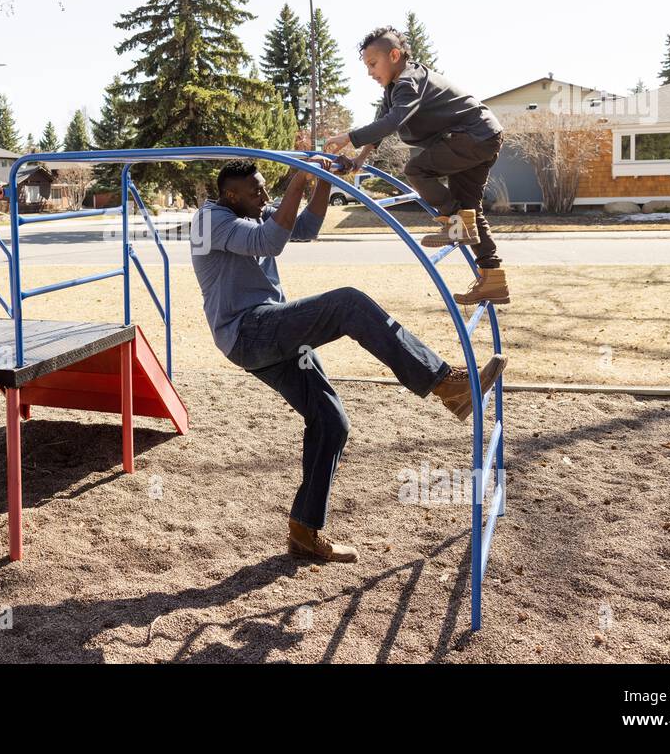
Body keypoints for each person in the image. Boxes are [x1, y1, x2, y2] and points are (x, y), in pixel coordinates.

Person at [190, 158, 507, 563]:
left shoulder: (248, 207)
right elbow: (270, 241)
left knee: (330, 422)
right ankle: (444, 384)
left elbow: (304, 228)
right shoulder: (208, 222)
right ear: (230, 195)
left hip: (270, 332)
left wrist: (321, 182)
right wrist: (300, 177)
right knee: (348, 304)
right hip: (249, 332)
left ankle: (304, 531)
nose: (265, 197)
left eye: (267, 189)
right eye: (257, 192)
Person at [325, 26, 510, 306]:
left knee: (417, 170)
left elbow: (392, 122)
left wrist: (348, 137)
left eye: (373, 64)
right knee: (469, 210)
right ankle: (493, 279)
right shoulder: (392, 90)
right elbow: (380, 129)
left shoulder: (409, 81)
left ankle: (456, 223)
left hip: (471, 136)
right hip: (482, 136)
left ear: (395, 55)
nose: (370, 73)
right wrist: (358, 161)